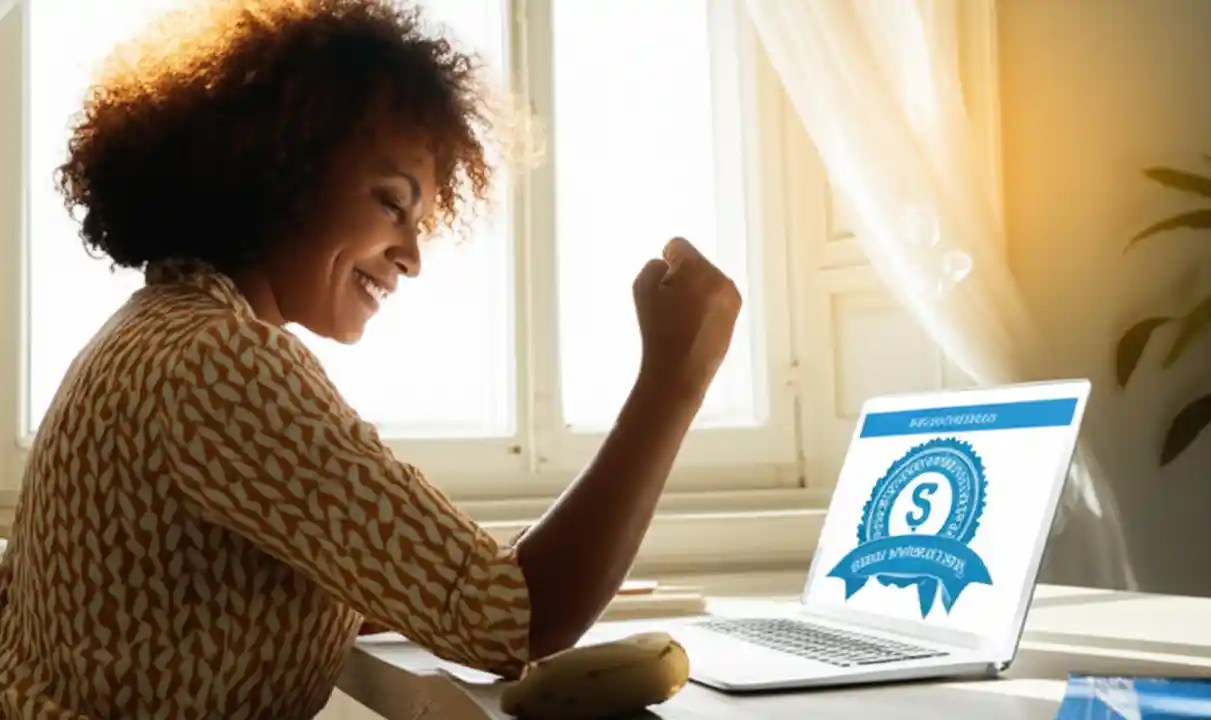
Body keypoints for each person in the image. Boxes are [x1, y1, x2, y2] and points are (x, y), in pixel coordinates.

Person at [0, 1, 740, 717]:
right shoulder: (220, 363)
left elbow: (236, 594)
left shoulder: (152, 329)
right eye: (392, 203)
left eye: (421, 222)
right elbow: (516, 619)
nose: (413, 256)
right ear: (281, 168)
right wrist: (672, 382)